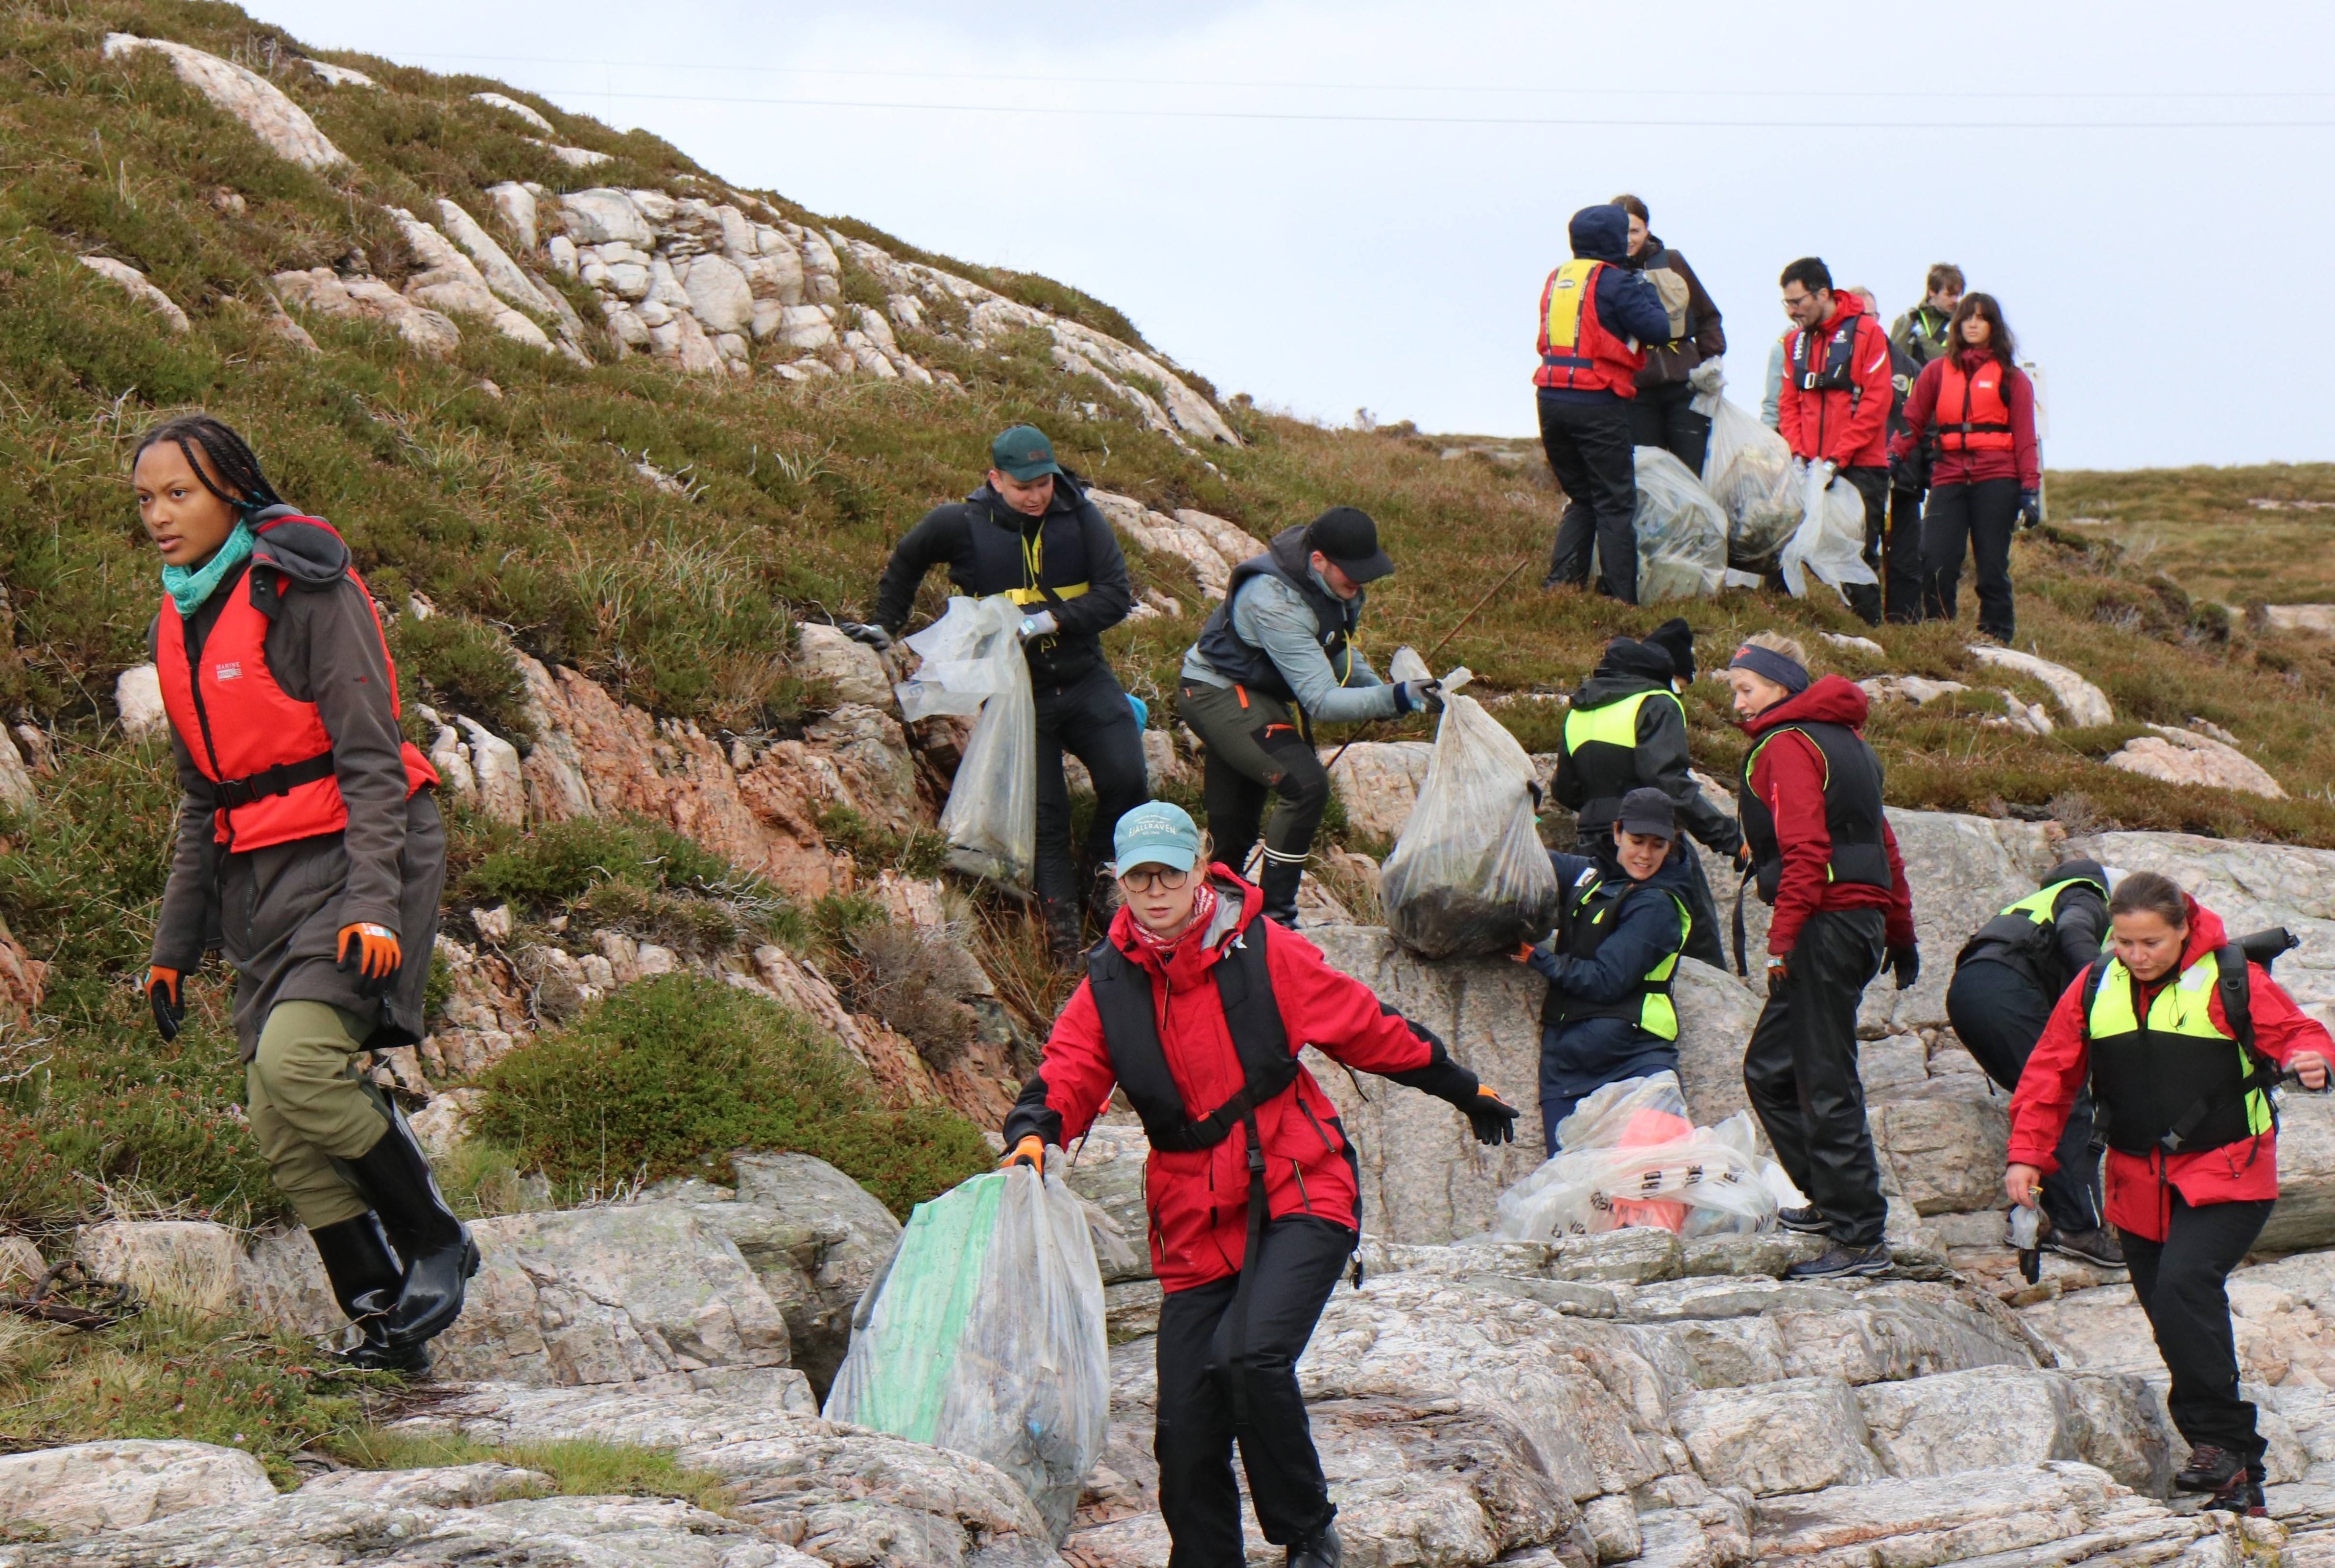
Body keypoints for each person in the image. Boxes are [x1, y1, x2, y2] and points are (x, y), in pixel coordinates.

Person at [1001, 802, 1519, 1568]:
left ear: (1197, 865)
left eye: (1168, 873)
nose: (1155, 891)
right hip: (1192, 1215)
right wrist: (1033, 1135)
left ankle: (1309, 1533)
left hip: (1300, 1182)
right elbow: (1068, 1069)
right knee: (1182, 1425)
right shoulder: (1109, 980)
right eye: (1139, 877)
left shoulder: (1262, 947)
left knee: (1248, 1357)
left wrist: (1461, 1087)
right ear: (1120, 882)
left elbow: (1365, 1024)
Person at [137, 414, 469, 1375]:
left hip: (362, 854)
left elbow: (372, 762)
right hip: (261, 884)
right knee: (276, 1118)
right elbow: (207, 799)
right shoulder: (182, 615)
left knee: (297, 1064)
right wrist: (173, 943)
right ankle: (382, 1320)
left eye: (180, 494)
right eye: (147, 499)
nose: (160, 516)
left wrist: (371, 902)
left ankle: (437, 1240)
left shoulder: (305, 590)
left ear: (232, 491)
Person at [2006, 871, 2334, 1518]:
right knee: (2167, 1310)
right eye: (2124, 941)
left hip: (2231, 1169)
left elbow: (2302, 1034)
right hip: (2137, 1179)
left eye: (2151, 941)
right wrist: (2026, 1156)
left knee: (2186, 1283)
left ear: (2184, 927)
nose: (2136, 954)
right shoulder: (2096, 984)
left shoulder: (2231, 979)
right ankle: (2230, 1468)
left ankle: (2225, 1447)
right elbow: (2050, 1070)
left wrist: (2311, 1059)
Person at [851, 425, 1149, 962]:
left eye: (1045, 482)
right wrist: (884, 624)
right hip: (1017, 695)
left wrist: (1047, 621)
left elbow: (1115, 596)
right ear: (995, 479)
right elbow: (907, 559)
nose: (1036, 495)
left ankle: (1103, 871)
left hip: (1085, 676)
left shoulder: (1081, 516)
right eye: (1022, 486)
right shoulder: (961, 522)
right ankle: (1063, 938)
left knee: (1128, 778)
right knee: (1046, 814)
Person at [1726, 633, 1918, 1279]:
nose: (1737, 702)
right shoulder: (1850, 745)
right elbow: (1883, 844)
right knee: (1771, 1069)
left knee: (1822, 1077)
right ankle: (1837, 1202)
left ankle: (1861, 1238)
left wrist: (1781, 941)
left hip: (1822, 926)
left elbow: (1808, 851)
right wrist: (1900, 930)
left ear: (1781, 686)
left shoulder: (1786, 744)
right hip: (1856, 923)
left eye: (1745, 688)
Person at [1178, 507, 1438, 928]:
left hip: (1258, 695)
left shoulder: (1333, 585)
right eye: (1352, 577)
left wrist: (1388, 689)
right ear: (1319, 560)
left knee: (1236, 830)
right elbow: (1322, 701)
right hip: (1215, 693)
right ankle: (1278, 917)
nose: (1358, 588)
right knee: (1305, 786)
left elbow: (1336, 650)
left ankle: (1213, 909)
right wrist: (1396, 698)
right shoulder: (1273, 600)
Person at [1947, 860, 2121, 1266]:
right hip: (2007, 994)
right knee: (2067, 1100)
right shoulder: (2085, 895)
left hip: (1968, 993)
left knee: (2038, 1098)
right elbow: (2075, 932)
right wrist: (2101, 990)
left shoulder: (2029, 905)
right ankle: (2078, 1229)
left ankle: (2030, 1215)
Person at [1549, 619, 1741, 968]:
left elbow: (1565, 789)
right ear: (1668, 676)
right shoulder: (1657, 702)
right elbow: (1669, 784)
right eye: (1681, 685)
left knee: (1592, 946)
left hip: (1592, 846)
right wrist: (1729, 837)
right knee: (1695, 948)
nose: (1680, 694)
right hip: (1650, 843)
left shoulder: (1579, 710)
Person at [1517, 788, 1695, 1152]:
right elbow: (1529, 859)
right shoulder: (1591, 875)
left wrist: (1536, 957)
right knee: (1574, 1195)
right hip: (1565, 1067)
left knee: (1648, 1192)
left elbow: (1605, 979)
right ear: (1617, 833)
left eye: (1658, 845)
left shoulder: (1658, 904)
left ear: (1671, 845)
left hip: (1635, 1059)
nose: (1645, 855)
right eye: (1637, 841)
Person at [1535, 203, 1676, 604]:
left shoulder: (1557, 278)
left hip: (1550, 399)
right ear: (1615, 241)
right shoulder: (1618, 283)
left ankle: (1562, 585)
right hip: (1596, 402)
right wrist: (1645, 290)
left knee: (1581, 497)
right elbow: (1659, 330)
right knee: (1615, 502)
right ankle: (1620, 597)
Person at [1891, 293, 2042, 642]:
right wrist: (1894, 455)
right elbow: (1912, 422)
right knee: (1934, 559)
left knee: (1992, 566)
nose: (1973, 324)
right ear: (1958, 325)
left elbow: (2025, 438)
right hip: (1949, 475)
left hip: (1998, 479)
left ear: (1993, 326)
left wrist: (2029, 491)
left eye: (1981, 318)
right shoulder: (1936, 372)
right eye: (1966, 318)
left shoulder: (2012, 379)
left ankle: (1997, 635)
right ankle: (1940, 631)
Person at [1777, 259, 1894, 626]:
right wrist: (1798, 454)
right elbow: (1789, 402)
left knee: (1857, 555)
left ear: (1822, 294)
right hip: (1808, 466)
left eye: (1798, 302)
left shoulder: (1866, 335)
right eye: (1788, 304)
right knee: (1787, 547)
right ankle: (1800, 629)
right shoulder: (1794, 342)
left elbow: (1875, 404)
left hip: (1861, 466)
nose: (1793, 311)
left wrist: (1837, 459)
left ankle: (1871, 637)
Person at [1611, 194, 1727, 475]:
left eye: (1635, 231)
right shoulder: (1607, 272)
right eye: (1621, 231)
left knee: (1693, 472)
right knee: (1650, 478)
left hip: (1685, 388)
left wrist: (1709, 361)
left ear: (1647, 229)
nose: (1628, 239)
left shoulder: (1672, 261)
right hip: (1636, 393)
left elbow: (1707, 315)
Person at [1854, 286, 1931, 625]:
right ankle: (1862, 625)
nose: (1862, 324)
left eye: (1867, 316)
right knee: (1861, 554)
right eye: (1854, 319)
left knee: (1904, 561)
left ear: (1879, 319)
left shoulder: (1908, 367)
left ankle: (1905, 629)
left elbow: (1926, 422)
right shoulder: (1843, 365)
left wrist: (1927, 474)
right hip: (1859, 481)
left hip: (1904, 481)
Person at [1888, 263, 1965, 371]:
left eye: (1957, 295)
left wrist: (1921, 335)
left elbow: (1946, 361)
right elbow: (1893, 358)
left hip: (1942, 384)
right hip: (1912, 384)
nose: (1955, 300)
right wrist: (1907, 326)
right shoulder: (1908, 319)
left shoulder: (1961, 324)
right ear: (1932, 292)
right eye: (1949, 295)